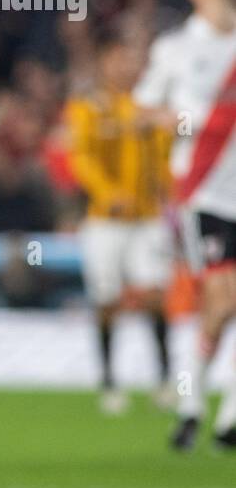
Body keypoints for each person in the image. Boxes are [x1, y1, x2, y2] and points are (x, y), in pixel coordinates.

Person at [134, 0, 236, 450]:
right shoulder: (176, 48)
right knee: (220, 299)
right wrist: (176, 120)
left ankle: (223, 417)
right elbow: (142, 109)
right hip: (206, 192)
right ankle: (193, 398)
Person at [66, 34, 173, 414]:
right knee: (107, 299)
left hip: (146, 219)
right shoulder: (88, 109)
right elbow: (81, 160)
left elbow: (166, 156)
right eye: (118, 60)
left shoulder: (150, 107)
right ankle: (109, 381)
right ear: (104, 64)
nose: (126, 67)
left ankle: (164, 379)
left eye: (131, 60)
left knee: (155, 295)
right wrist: (108, 192)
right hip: (105, 222)